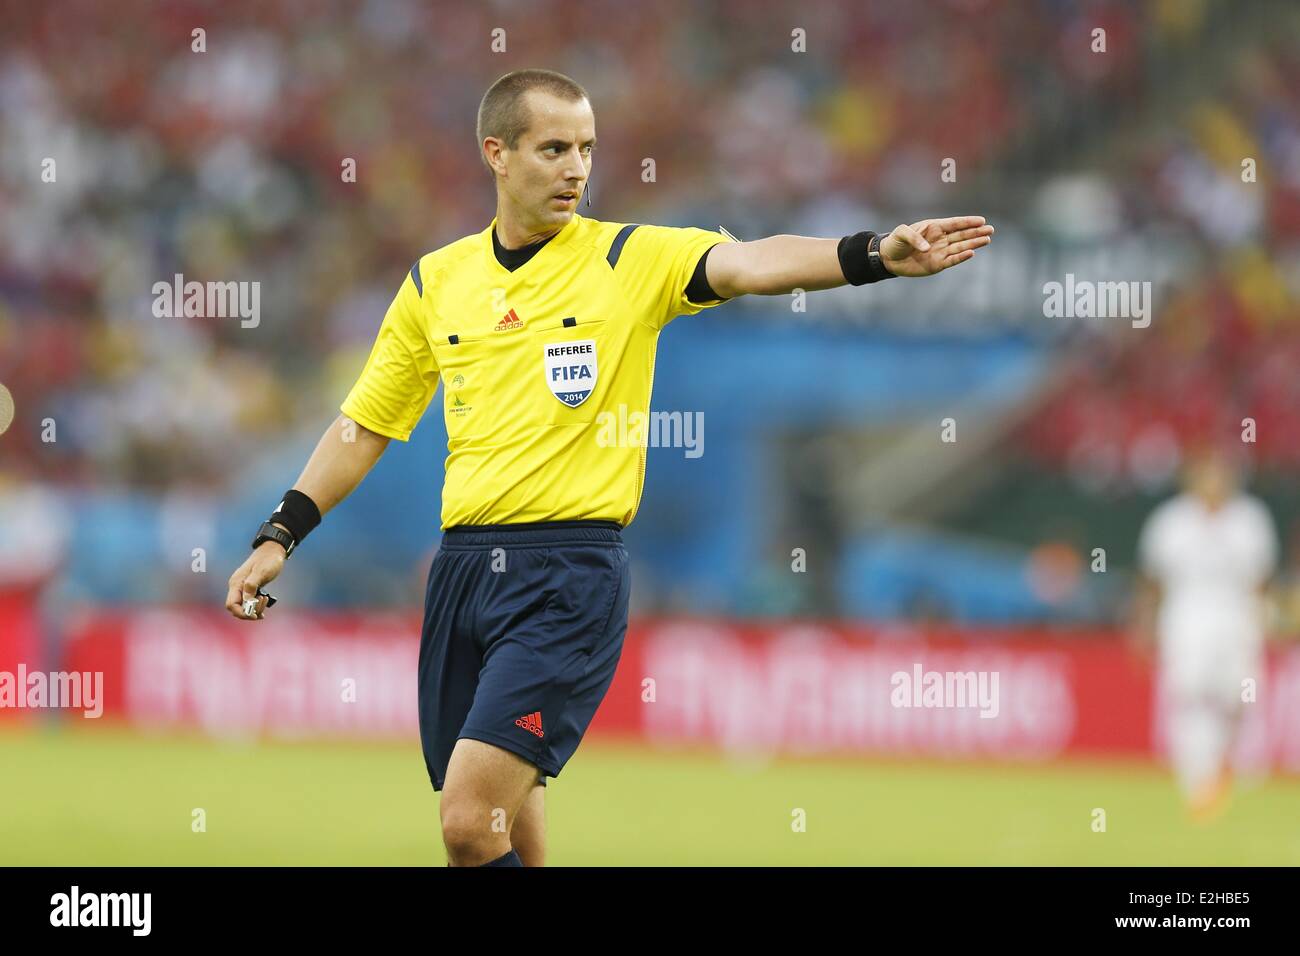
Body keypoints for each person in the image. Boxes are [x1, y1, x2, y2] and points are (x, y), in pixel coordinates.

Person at [224, 68, 994, 866]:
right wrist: (282, 531)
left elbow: (752, 263)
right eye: (554, 148)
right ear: (497, 152)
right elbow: (365, 427)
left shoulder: (629, 258)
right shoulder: (437, 281)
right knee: (509, 827)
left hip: (567, 576)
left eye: (587, 148)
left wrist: (871, 253)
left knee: (468, 822)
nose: (576, 168)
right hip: (461, 572)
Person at [1133, 445, 1279, 821]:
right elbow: (1152, 580)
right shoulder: (1171, 522)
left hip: (1236, 617)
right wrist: (1144, 624)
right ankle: (1197, 777)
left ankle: (1228, 765)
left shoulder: (1250, 519)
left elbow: (1261, 580)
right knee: (1189, 693)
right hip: (1186, 619)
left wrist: (1267, 619)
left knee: (1239, 696)